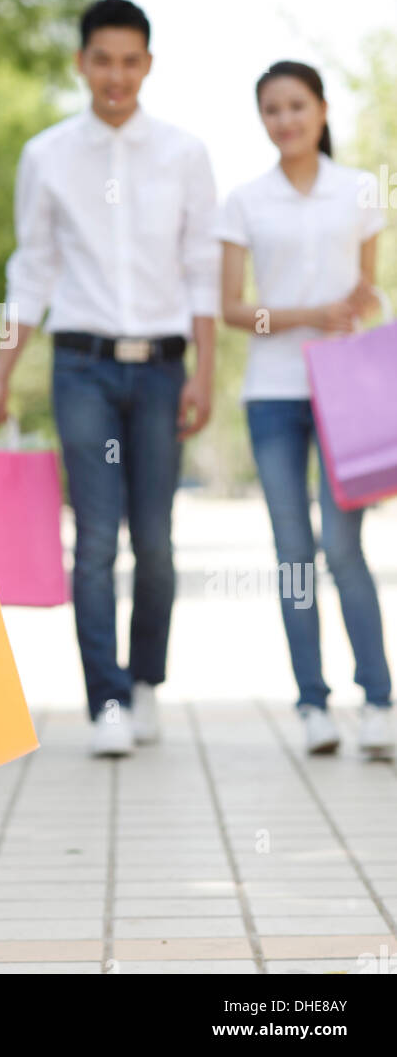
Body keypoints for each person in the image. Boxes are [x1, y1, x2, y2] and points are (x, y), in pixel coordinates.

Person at [0, 0, 219, 756]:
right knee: (94, 540)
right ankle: (105, 700)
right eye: (102, 59)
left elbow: (203, 268)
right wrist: (1, 373)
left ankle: (146, 681)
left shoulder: (184, 153)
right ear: (81, 63)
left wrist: (205, 373)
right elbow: (33, 268)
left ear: (147, 65)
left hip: (161, 369)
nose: (116, 74)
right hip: (80, 366)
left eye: (130, 60)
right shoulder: (46, 155)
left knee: (156, 537)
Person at [217, 61, 394, 758]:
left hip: (344, 391)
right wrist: (300, 316)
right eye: (271, 110)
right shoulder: (245, 200)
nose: (285, 120)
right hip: (273, 394)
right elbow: (233, 310)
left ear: (321, 110)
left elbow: (370, 291)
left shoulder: (358, 191)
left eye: (296, 106)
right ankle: (313, 705)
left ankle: (378, 699)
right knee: (293, 551)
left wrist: (355, 308)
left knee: (345, 548)